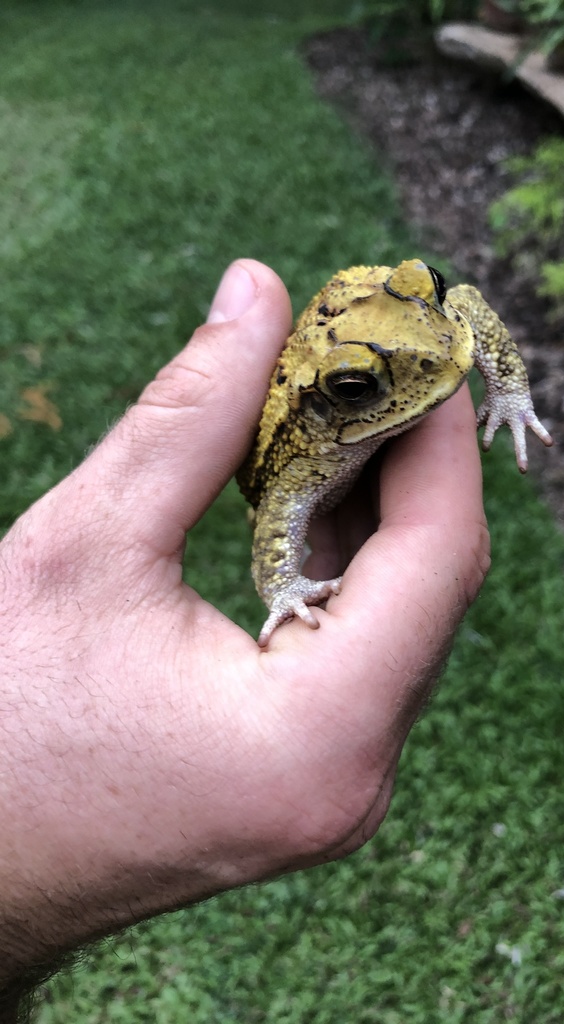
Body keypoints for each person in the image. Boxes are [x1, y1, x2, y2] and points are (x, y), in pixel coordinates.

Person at [0, 260, 490, 1022]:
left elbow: (464, 308)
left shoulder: (432, 326)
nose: (440, 342)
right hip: (304, 441)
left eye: (419, 286)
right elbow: (279, 520)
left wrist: (512, 390)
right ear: (331, 401)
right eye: (357, 386)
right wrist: (285, 589)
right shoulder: (304, 445)